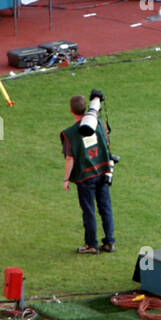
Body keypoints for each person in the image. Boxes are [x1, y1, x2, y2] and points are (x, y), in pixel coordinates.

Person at [61, 91, 116, 255]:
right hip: (103, 172)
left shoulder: (69, 133)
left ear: (71, 110)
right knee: (105, 207)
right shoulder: (98, 123)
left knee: (89, 210)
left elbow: (70, 158)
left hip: (85, 177)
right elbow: (107, 143)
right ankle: (109, 242)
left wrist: (66, 179)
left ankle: (91, 244)